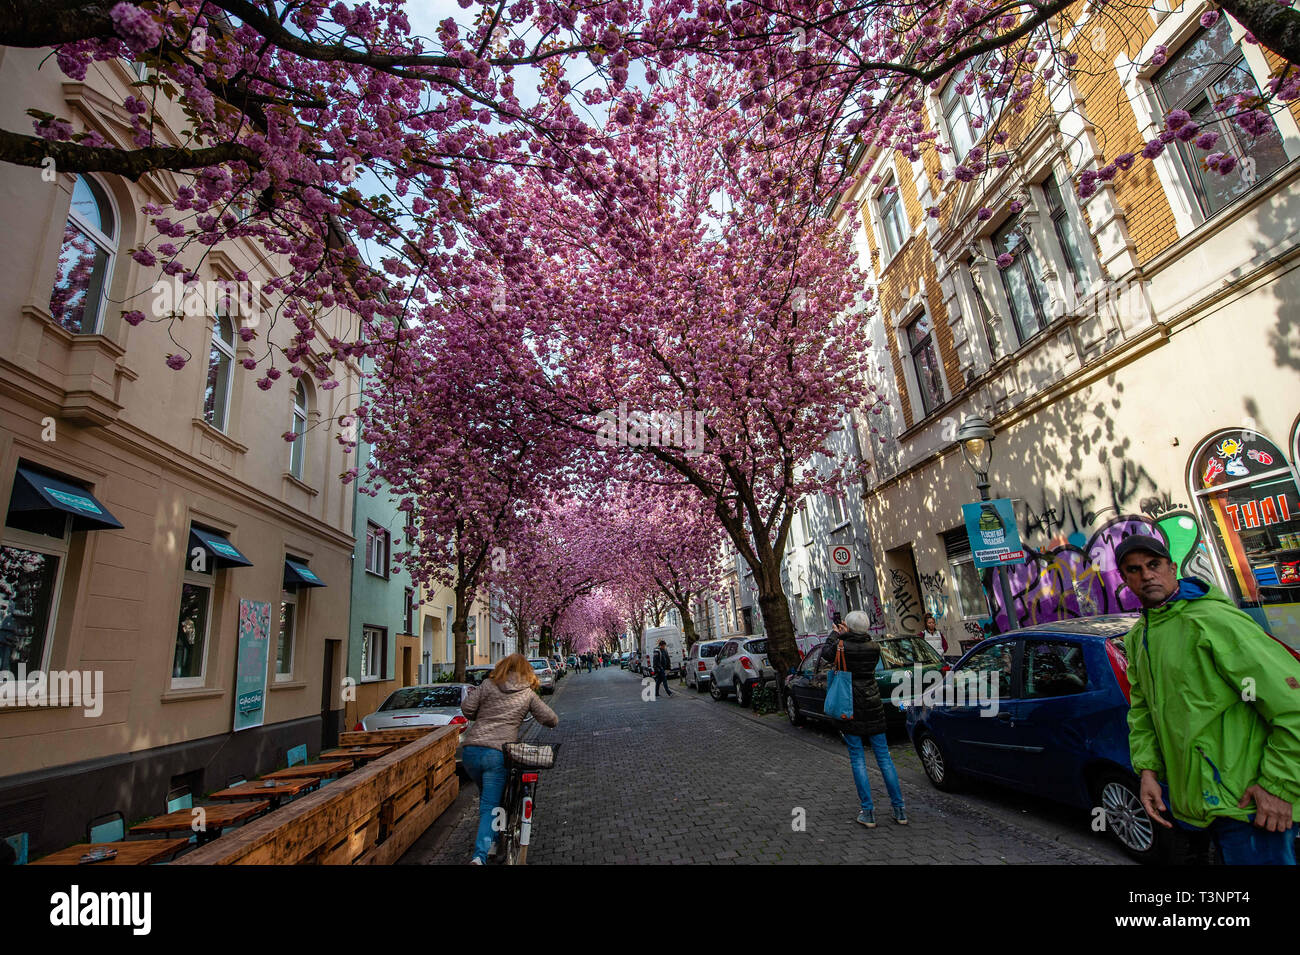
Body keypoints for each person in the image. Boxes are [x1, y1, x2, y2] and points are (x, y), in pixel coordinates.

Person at [1120, 534, 1300, 865]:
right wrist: (1147, 771)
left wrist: (1280, 787)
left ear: (1173, 568)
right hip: (1200, 807)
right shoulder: (1139, 636)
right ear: (1125, 579)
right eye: (1135, 569)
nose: (1146, 575)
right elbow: (1143, 711)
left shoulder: (1213, 621)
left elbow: (1293, 705)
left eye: (1154, 565)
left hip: (1250, 805)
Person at [458, 653, 559, 865]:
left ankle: (494, 840)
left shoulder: (487, 685)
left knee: (487, 797)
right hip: (497, 753)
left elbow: (467, 709)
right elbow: (550, 718)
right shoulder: (527, 694)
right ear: (527, 672)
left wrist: (483, 715)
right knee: (490, 805)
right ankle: (479, 857)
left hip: (471, 751)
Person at [820, 610, 907, 827]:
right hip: (873, 704)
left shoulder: (842, 645)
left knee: (857, 758)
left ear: (847, 627)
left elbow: (826, 654)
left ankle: (868, 812)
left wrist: (836, 635)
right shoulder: (874, 646)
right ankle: (899, 810)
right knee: (884, 758)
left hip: (850, 706)